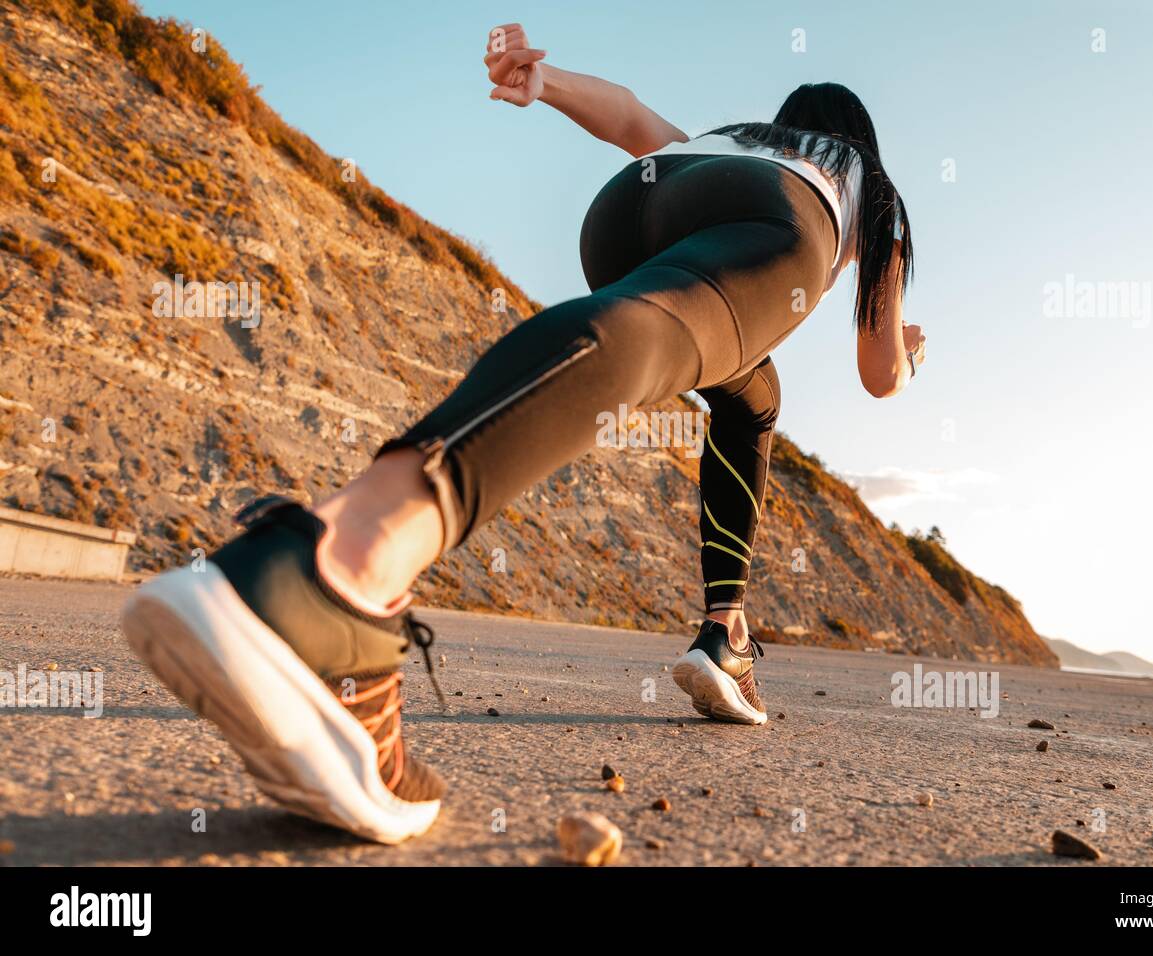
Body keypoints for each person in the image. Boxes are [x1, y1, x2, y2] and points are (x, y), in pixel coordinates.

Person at [121, 22, 923, 844]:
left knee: (749, 396)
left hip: (636, 207)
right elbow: (879, 373)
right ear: (860, 140)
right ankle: (332, 570)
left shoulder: (739, 138)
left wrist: (546, 82)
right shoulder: (869, 186)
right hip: (768, 223)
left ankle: (726, 632)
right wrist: (912, 351)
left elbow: (629, 117)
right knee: (656, 335)